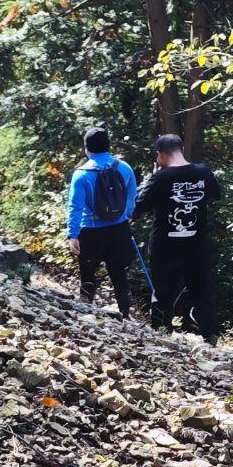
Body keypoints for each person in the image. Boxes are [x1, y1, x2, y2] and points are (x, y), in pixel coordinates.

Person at [137, 133, 221, 343]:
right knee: (202, 290)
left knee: (163, 291)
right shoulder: (203, 172)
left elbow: (138, 205)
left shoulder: (160, 178)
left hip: (165, 247)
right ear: (181, 150)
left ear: (161, 155)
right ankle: (210, 335)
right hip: (197, 246)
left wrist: (153, 180)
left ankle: (161, 333)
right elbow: (216, 194)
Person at [64, 127, 144, 317]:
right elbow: (132, 197)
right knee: (118, 272)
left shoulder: (82, 174)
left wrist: (73, 235)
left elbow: (75, 207)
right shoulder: (124, 167)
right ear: (109, 146)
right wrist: (126, 215)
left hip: (91, 232)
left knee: (88, 272)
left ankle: (85, 312)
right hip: (120, 229)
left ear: (86, 149)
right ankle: (125, 315)